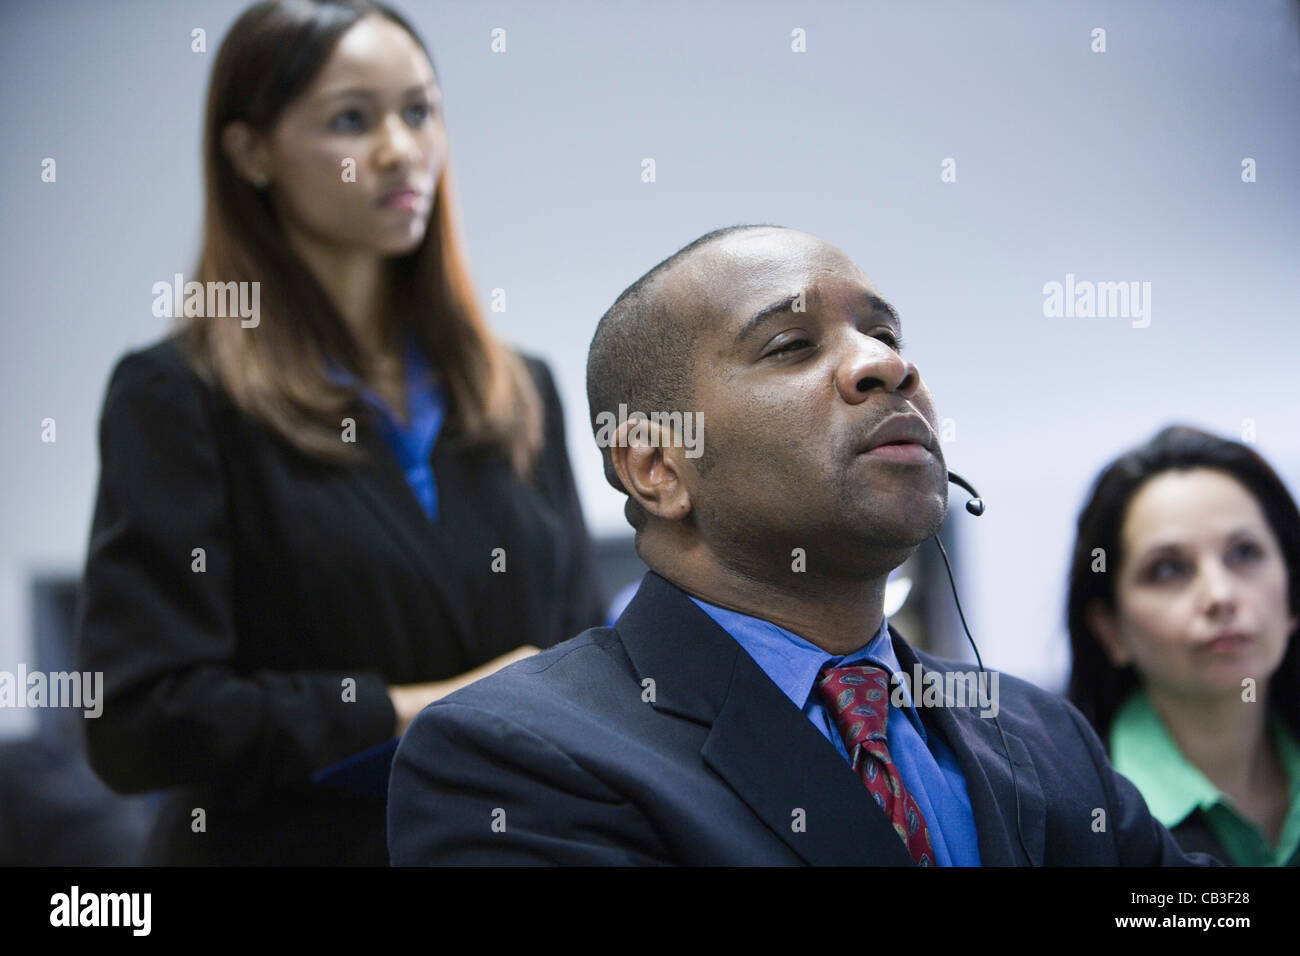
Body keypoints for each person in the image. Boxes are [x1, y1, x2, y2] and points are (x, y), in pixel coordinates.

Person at [387, 224, 1218, 865]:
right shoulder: (516, 755)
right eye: (791, 345)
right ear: (657, 466)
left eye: (886, 334)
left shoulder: (1036, 730)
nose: (885, 367)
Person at [75, 0, 604, 865]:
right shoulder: (177, 396)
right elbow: (138, 718)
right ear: (250, 153)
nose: (401, 150)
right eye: (352, 120)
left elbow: (577, 651)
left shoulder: (518, 388)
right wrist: (417, 708)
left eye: (419, 111)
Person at [1066, 425, 1300, 866]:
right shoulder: (1069, 816)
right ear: (1110, 629)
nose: (1219, 596)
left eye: (1245, 552)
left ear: (1292, 595)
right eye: (1169, 569)